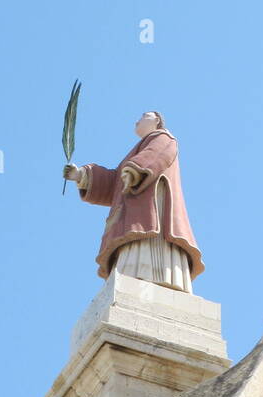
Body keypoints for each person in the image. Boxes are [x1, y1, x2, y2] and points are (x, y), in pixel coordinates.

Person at [64, 110, 204, 292]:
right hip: (130, 215)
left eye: (144, 116)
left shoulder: (164, 138)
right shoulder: (135, 152)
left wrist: (136, 170)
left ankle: (158, 275)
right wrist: (80, 175)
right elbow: (115, 182)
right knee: (131, 248)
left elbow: (157, 155)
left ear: (158, 121)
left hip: (153, 212)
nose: (136, 120)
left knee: (148, 241)